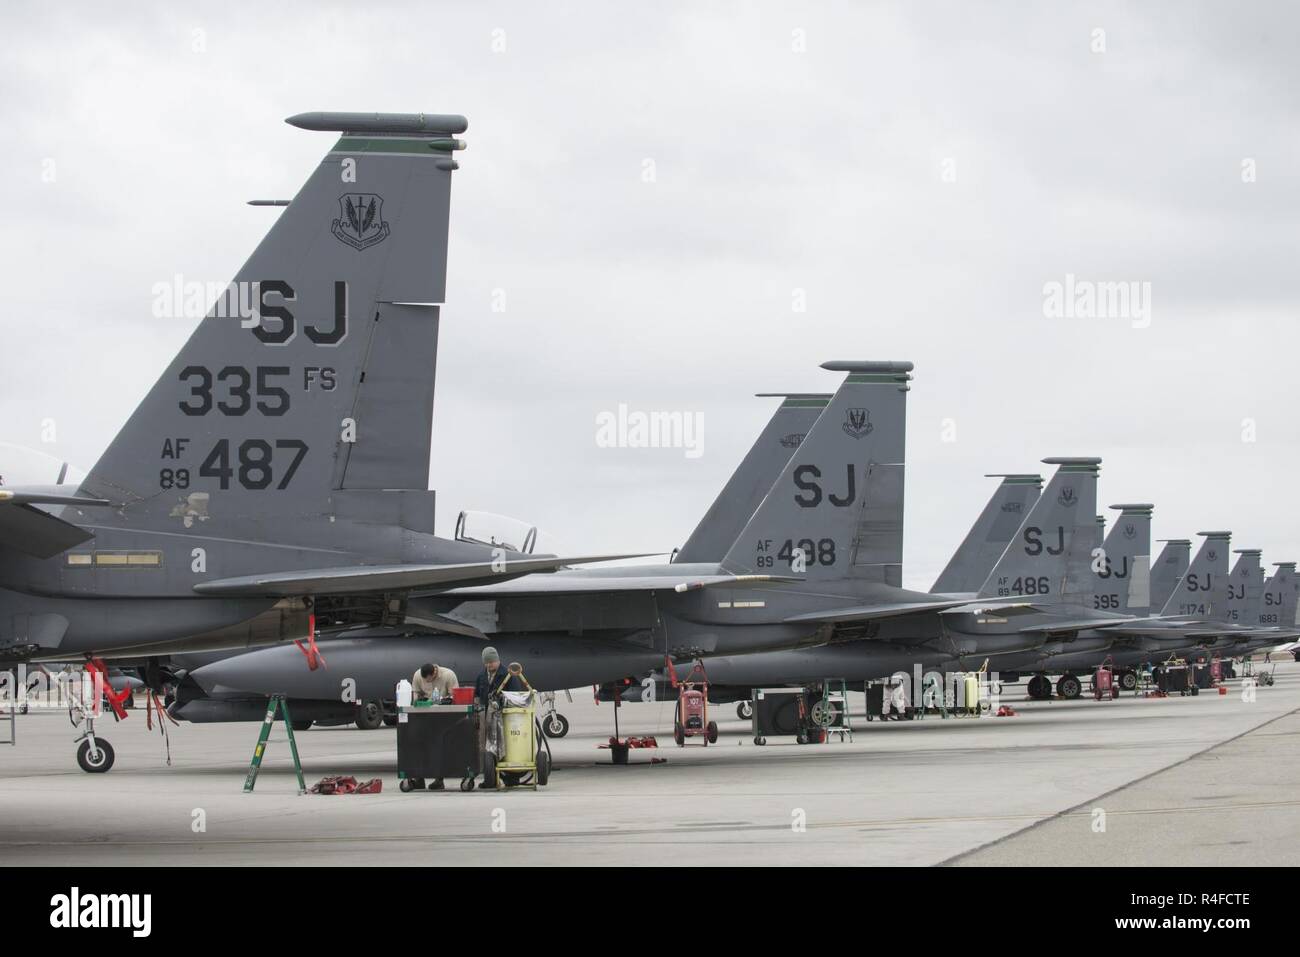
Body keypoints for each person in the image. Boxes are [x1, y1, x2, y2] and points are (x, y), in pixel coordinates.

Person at [409, 663, 458, 791]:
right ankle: (419, 778)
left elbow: (455, 696)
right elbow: (416, 693)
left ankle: (439, 779)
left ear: (434, 673)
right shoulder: (417, 675)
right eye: (424, 679)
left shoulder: (448, 675)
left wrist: (443, 701)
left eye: (428, 679)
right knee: (419, 744)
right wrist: (415, 703)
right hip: (424, 715)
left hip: (442, 716)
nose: (425, 681)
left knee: (439, 746)